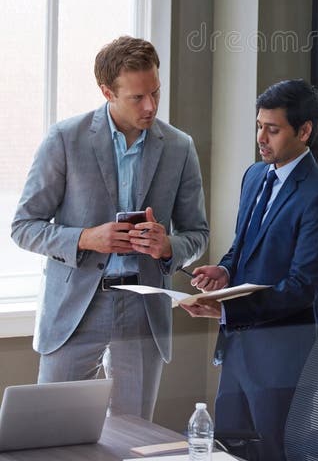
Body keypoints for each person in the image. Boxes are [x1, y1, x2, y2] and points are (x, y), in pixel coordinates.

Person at [12, 36, 209, 420]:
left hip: (144, 308)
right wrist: (87, 238)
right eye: (138, 97)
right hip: (76, 308)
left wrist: (168, 246)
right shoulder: (65, 139)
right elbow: (23, 226)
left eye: (155, 92)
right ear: (107, 92)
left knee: (134, 440)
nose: (151, 106)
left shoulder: (179, 147)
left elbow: (198, 234)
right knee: (50, 433)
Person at [181, 79, 318, 461]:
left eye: (273, 129)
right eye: (259, 126)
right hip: (238, 351)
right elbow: (244, 247)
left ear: (304, 131)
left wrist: (226, 312)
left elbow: (301, 288)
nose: (261, 137)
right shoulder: (255, 176)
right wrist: (223, 270)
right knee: (230, 459)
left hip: (282, 357)